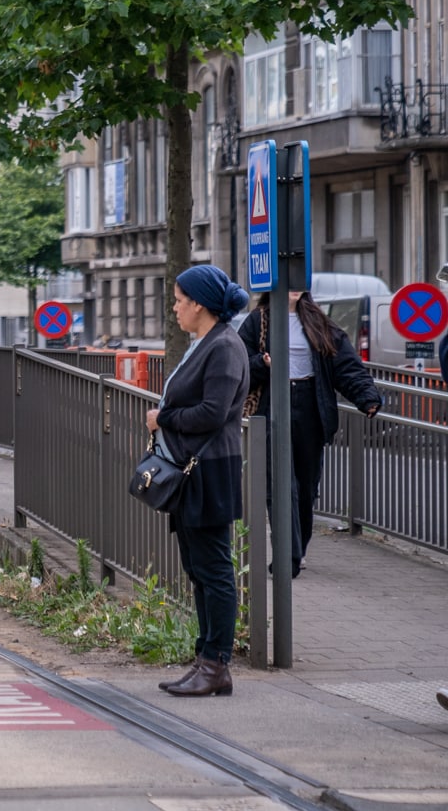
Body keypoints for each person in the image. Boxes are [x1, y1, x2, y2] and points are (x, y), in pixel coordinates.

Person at [145, 264, 251, 699]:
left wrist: (162, 418)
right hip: (193, 469)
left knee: (213, 569)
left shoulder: (224, 346)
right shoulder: (206, 343)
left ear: (200, 304)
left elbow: (213, 412)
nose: (175, 309)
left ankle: (217, 664)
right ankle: (204, 660)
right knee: (198, 568)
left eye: (179, 300)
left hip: (209, 469)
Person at [239, 290, 381, 576]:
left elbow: (346, 366)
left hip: (310, 406)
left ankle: (298, 549)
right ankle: (286, 558)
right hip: (271, 404)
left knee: (306, 488)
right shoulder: (258, 322)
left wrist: (367, 397)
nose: (293, 287)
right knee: (280, 486)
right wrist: (261, 365)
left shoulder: (319, 322)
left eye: (299, 281)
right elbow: (240, 366)